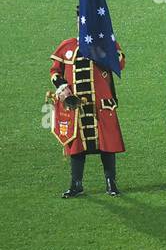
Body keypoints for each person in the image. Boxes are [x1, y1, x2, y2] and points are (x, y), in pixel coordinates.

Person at [49, 33, 125, 198]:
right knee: (76, 146)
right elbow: (55, 71)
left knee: (107, 145)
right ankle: (76, 184)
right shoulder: (67, 45)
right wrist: (62, 87)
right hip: (76, 106)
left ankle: (111, 183)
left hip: (100, 105)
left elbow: (119, 63)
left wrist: (103, 48)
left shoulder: (104, 42)